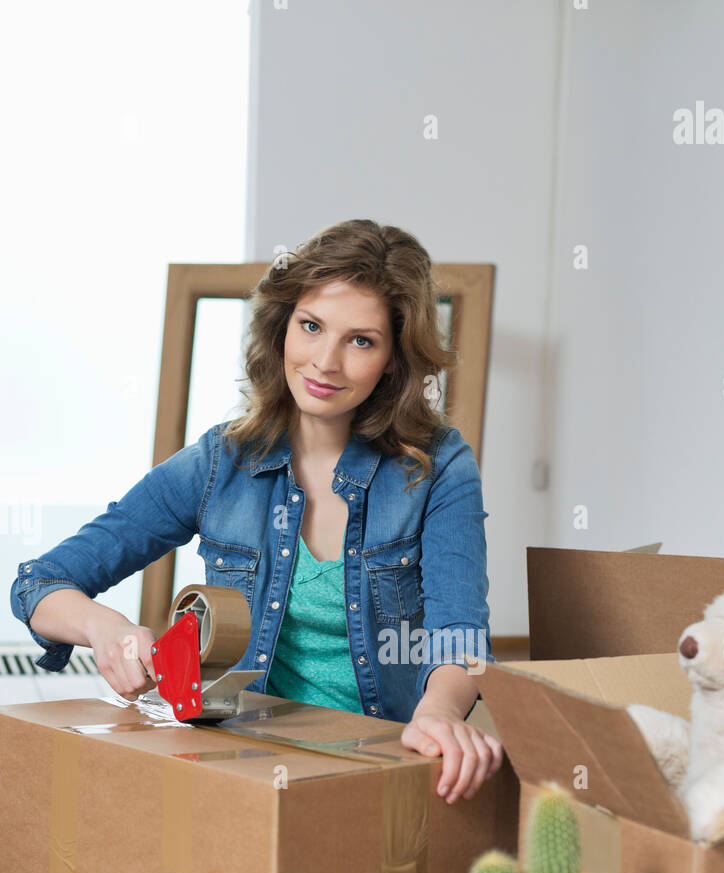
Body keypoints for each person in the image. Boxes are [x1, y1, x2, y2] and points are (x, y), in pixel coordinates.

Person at [10, 218, 503, 804]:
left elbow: (461, 637)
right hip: (240, 769)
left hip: (382, 762)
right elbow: (39, 584)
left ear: (395, 359)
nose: (325, 361)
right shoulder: (221, 462)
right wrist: (107, 629)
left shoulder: (438, 467)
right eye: (311, 326)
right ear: (282, 327)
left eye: (361, 340)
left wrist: (440, 713)